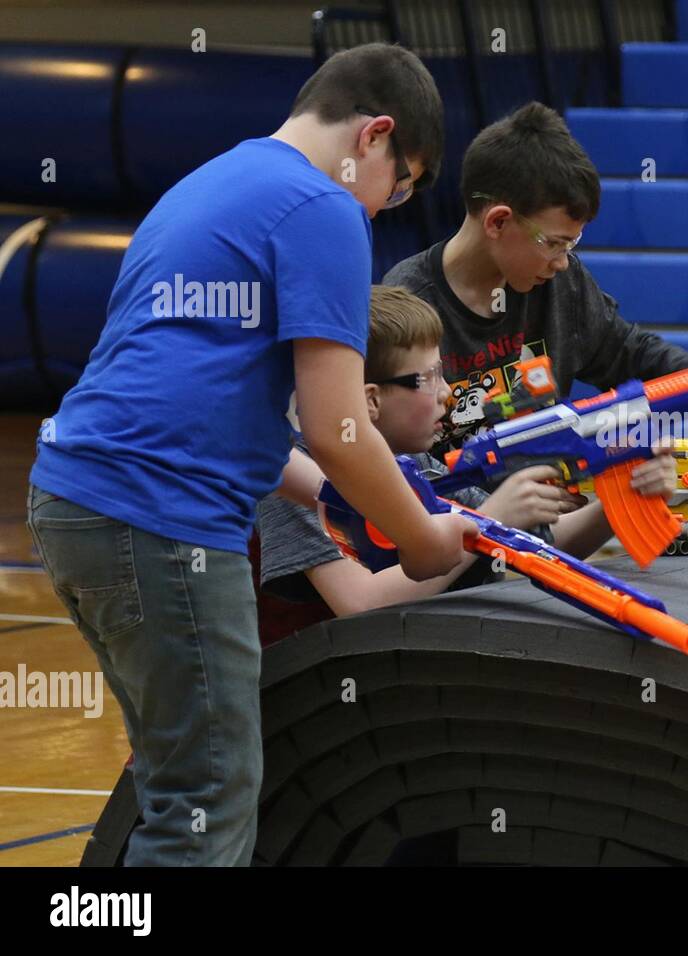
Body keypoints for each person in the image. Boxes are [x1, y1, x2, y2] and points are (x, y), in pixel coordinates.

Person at [25, 43, 475, 866]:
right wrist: (423, 539)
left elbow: (200, 397)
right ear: (374, 136)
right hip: (159, 521)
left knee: (176, 789)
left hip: (74, 502)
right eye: (399, 184)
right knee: (208, 804)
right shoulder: (324, 206)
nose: (383, 207)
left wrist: (324, 491)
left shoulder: (211, 181)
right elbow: (342, 431)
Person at [255, 285, 678, 639]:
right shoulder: (304, 478)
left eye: (443, 373)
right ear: (371, 400)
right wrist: (492, 517)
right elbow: (360, 603)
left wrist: (621, 494)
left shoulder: (415, 458)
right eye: (429, 378)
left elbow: (548, 548)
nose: (448, 394)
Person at [383, 101, 688, 443]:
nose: (562, 262)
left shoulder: (561, 284)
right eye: (554, 243)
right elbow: (400, 466)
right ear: (497, 222)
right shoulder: (409, 303)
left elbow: (632, 354)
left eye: (571, 244)